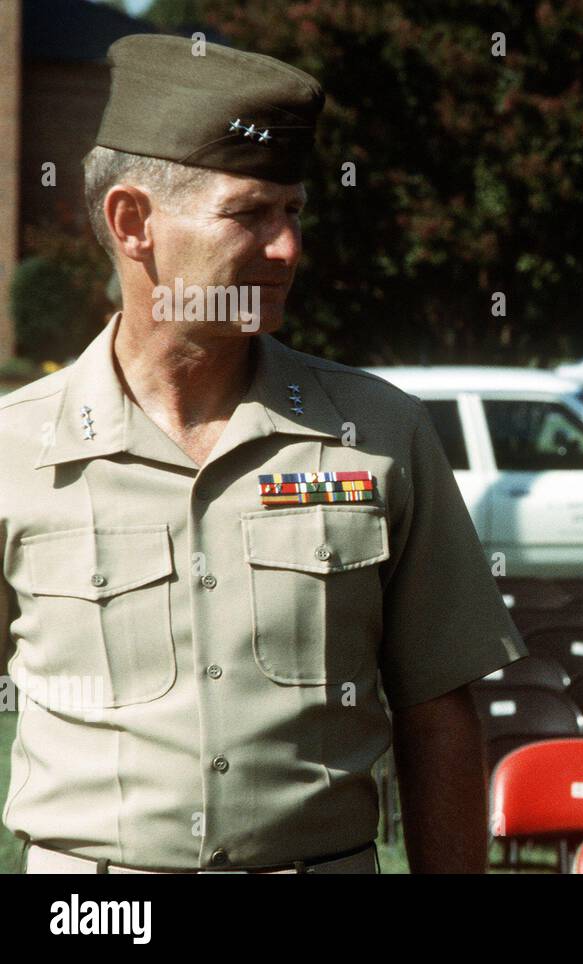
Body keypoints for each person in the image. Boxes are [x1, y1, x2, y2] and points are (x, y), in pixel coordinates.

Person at [0, 34, 524, 874]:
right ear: (133, 223)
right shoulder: (13, 451)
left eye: (296, 212)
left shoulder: (380, 435)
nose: (287, 249)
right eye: (251, 214)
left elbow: (439, 712)